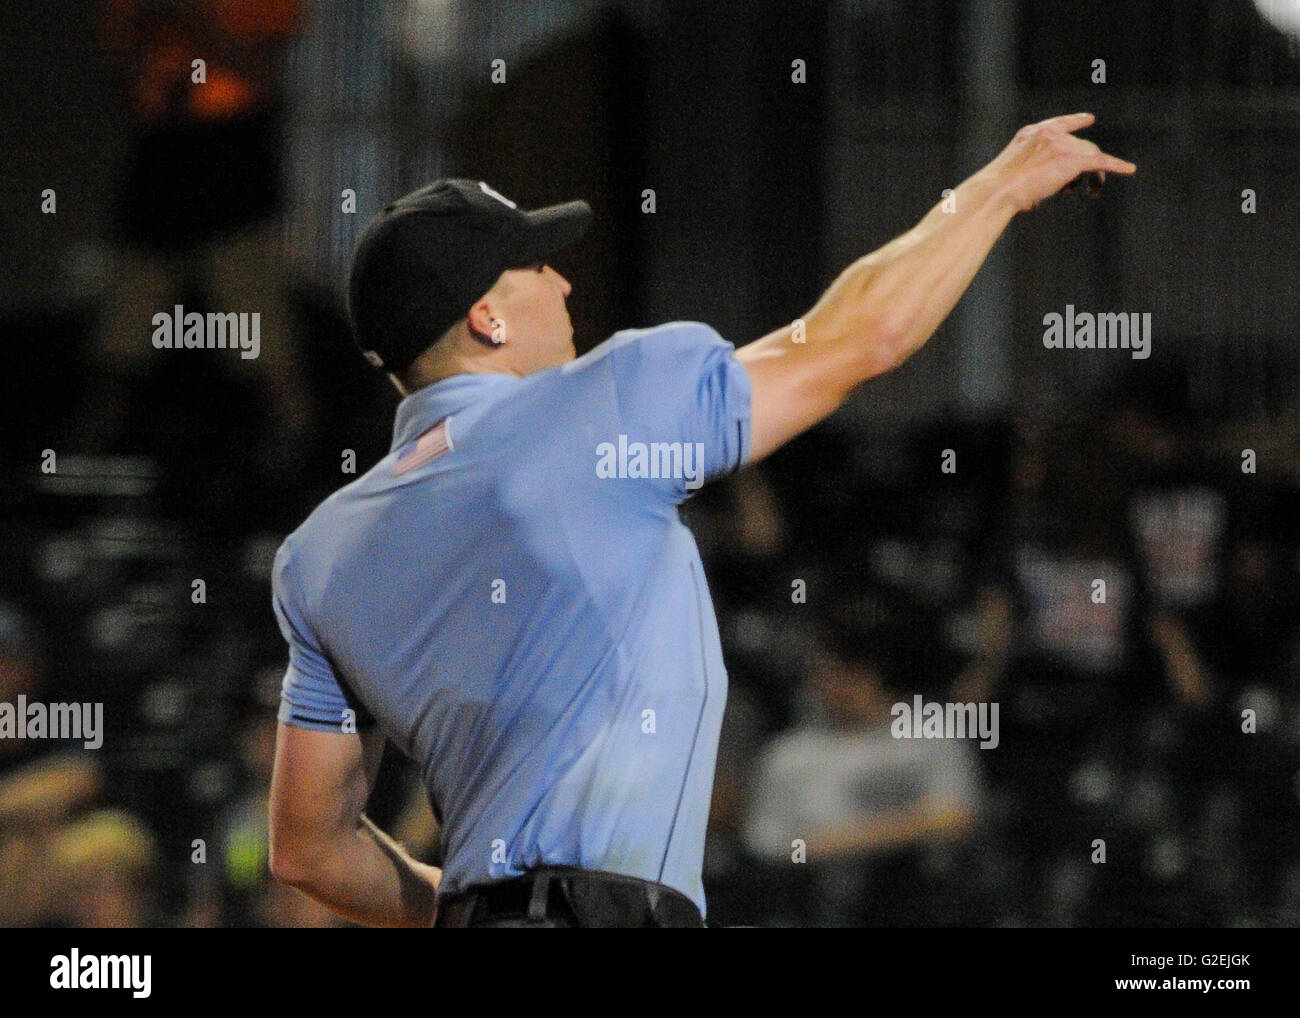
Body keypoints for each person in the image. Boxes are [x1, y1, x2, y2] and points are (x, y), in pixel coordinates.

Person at [267, 115, 1136, 927]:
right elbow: (860, 337)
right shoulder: (608, 400)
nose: (564, 279)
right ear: (486, 317)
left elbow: (308, 849)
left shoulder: (320, 554)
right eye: (536, 266)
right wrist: (994, 190)